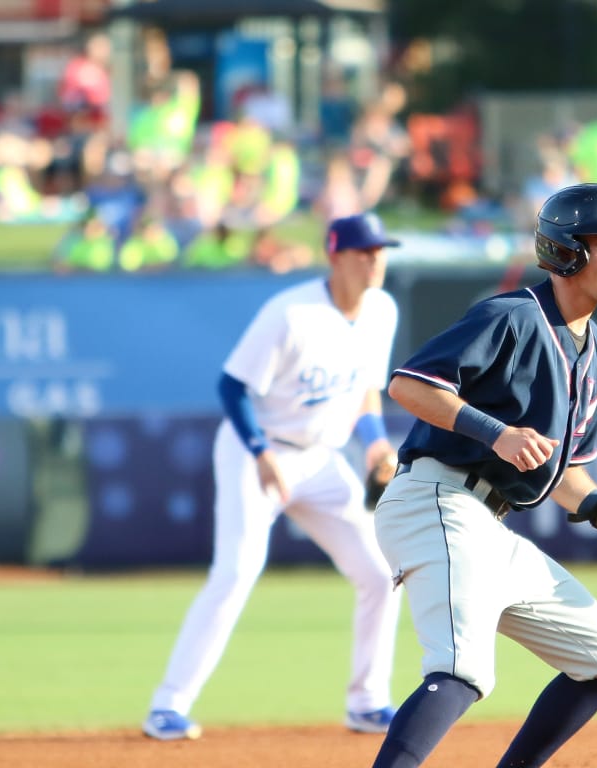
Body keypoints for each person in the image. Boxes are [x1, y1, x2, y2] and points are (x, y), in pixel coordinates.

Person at [370, 183, 597, 768]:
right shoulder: (512, 316)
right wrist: (495, 432)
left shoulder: (594, 346)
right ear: (563, 251)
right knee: (461, 671)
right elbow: (409, 385)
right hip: (437, 499)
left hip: (487, 523)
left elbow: (565, 469)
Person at [142, 212, 405, 740]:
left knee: (381, 573)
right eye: (364, 252)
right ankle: (167, 705)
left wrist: (375, 441)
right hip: (255, 449)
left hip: (322, 457)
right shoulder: (290, 314)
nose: (376, 260)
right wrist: (260, 452)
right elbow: (232, 386)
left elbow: (365, 394)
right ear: (335, 256)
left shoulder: (381, 309)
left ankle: (367, 701)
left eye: (381, 250)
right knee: (237, 571)